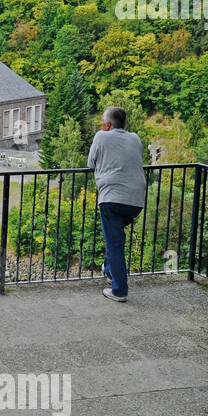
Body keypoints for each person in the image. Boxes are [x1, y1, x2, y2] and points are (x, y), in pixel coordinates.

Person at [87, 105, 146, 302]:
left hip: (111, 198)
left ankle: (119, 291)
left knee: (115, 243)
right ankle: (110, 268)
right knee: (115, 238)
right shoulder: (135, 138)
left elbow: (90, 163)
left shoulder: (101, 137)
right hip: (136, 201)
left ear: (108, 124)